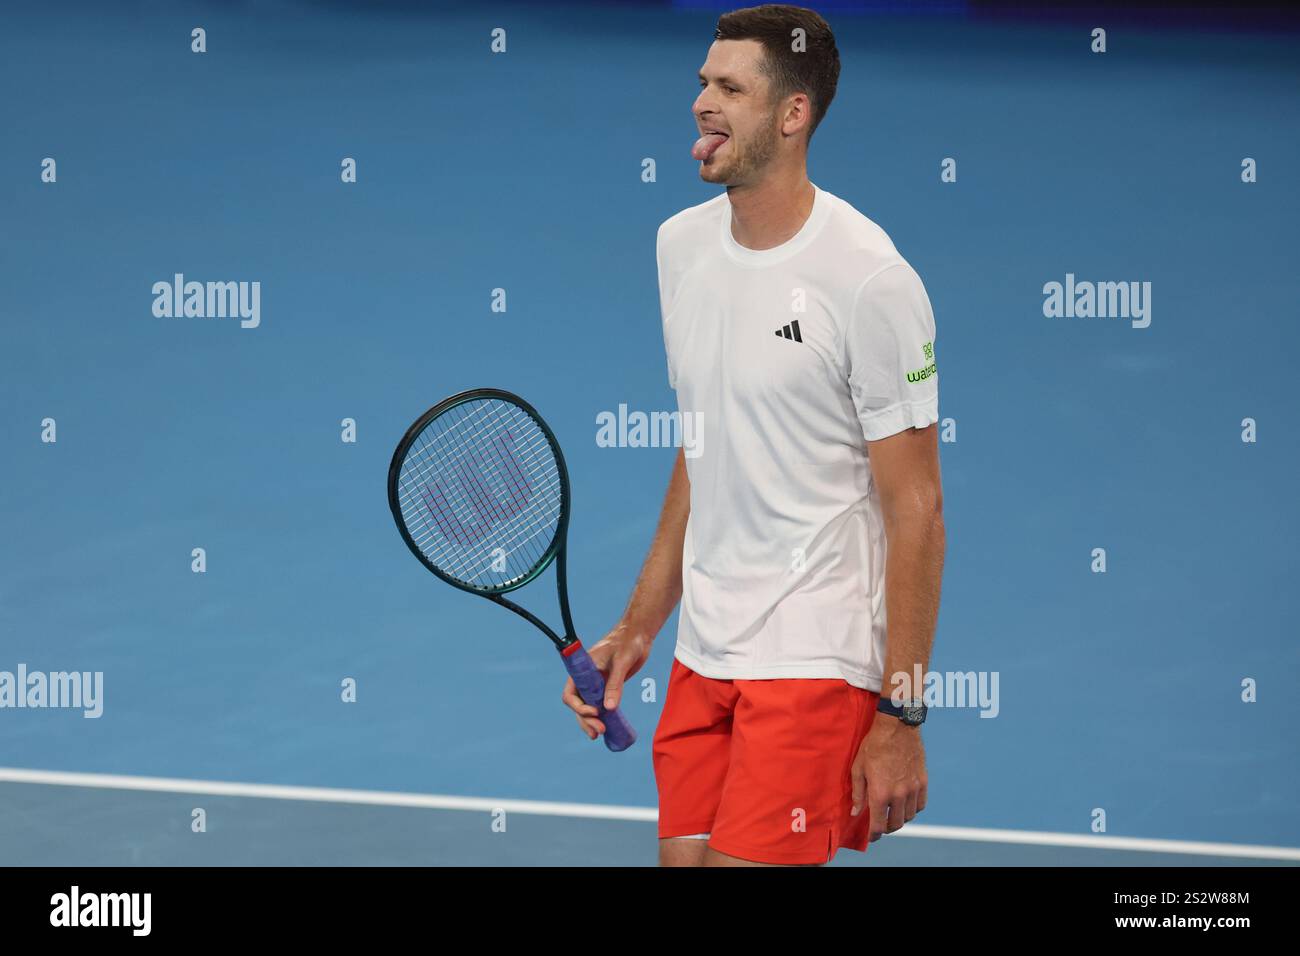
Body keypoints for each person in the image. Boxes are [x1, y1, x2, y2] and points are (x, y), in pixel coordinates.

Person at [562, 3, 945, 867]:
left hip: (815, 653)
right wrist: (638, 626)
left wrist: (903, 713)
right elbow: (706, 446)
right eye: (703, 81)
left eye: (730, 87)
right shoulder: (680, 248)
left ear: (792, 114)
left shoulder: (871, 281)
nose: (702, 102)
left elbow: (917, 507)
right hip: (708, 647)